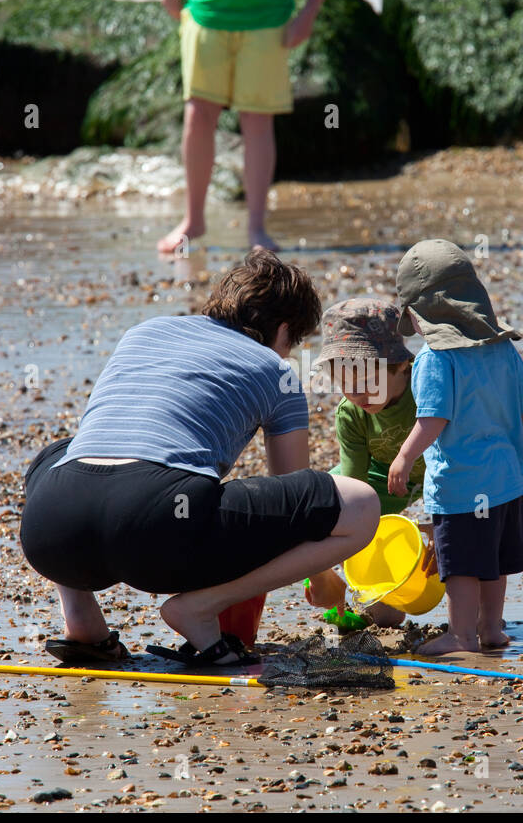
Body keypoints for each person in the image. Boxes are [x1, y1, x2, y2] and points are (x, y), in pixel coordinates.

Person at [19, 249, 379, 667]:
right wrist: (323, 577)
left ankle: (82, 622)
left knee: (62, 450)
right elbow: (295, 495)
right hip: (155, 532)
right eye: (292, 342)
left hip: (51, 530)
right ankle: (200, 607)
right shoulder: (275, 369)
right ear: (283, 330)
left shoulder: (144, 331)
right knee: (360, 504)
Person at [386, 240, 523, 655]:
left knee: (460, 566)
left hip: (461, 489)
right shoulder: (502, 349)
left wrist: (404, 457)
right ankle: (491, 629)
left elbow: (433, 419)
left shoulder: (436, 359)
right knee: (493, 562)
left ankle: (461, 634)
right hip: (507, 482)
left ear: (417, 314)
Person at [156, 0, 334, 255]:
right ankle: (193, 220)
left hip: (267, 25)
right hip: (207, 16)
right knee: (198, 115)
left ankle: (256, 228)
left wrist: (308, 16)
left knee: (257, 120)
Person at [303, 297, 431, 629]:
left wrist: (442, 526)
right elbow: (354, 488)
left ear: (401, 365)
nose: (356, 395)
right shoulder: (351, 413)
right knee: (315, 503)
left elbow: (460, 456)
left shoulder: (428, 390)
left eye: (365, 383)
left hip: (434, 472)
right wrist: (348, 548)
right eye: (344, 385)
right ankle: (335, 590)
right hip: (378, 480)